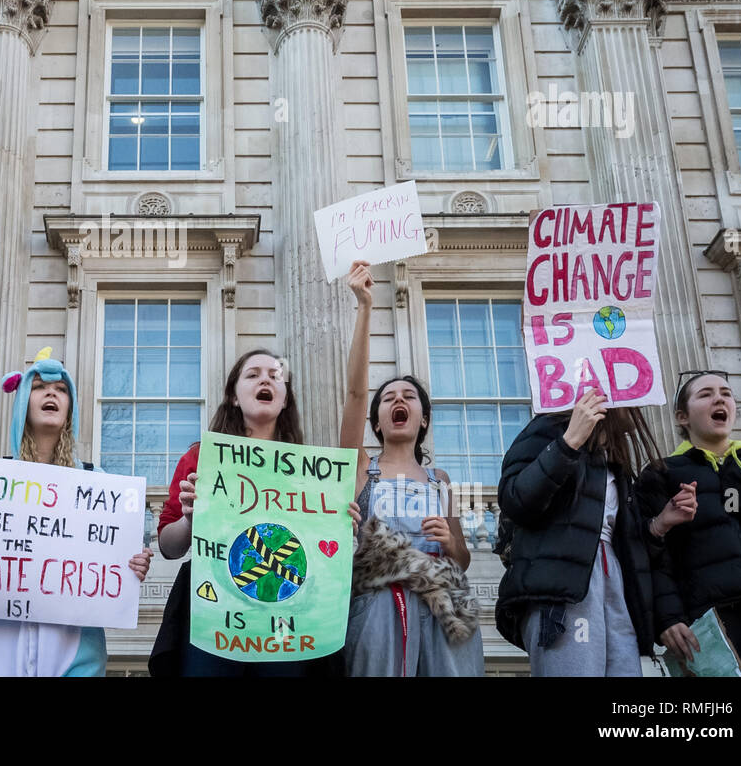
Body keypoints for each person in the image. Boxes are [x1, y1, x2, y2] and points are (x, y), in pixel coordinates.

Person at [0, 347, 153, 676]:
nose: (51, 392)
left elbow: (131, 540)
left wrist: (135, 560)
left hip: (72, 646)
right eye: (38, 386)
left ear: (70, 409)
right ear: (23, 400)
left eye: (61, 389)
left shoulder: (98, 485)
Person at [337, 260, 483, 676]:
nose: (398, 400)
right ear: (377, 421)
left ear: (423, 419)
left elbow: (462, 557)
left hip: (445, 604)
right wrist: (365, 306)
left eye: (409, 396)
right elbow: (352, 393)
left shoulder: (441, 481)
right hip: (380, 603)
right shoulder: (363, 467)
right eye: (387, 399)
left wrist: (451, 544)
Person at [149, 348, 332, 676]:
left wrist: (340, 525)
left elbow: (321, 551)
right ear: (233, 397)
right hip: (214, 613)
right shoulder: (200, 458)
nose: (265, 379)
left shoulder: (312, 472)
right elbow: (168, 545)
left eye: (275, 376)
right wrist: (190, 519)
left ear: (285, 399)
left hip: (287, 618)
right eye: (253, 374)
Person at [496, 388, 685, 676]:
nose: (640, 404)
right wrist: (569, 441)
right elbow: (516, 500)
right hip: (564, 589)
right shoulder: (547, 428)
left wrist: (659, 524)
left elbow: (619, 538)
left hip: (613, 585)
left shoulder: (612, 459)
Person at [638, 371, 741, 675]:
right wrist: (667, 618)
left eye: (726, 393)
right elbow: (649, 556)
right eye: (705, 394)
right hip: (708, 626)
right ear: (682, 417)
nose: (720, 398)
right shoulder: (660, 474)